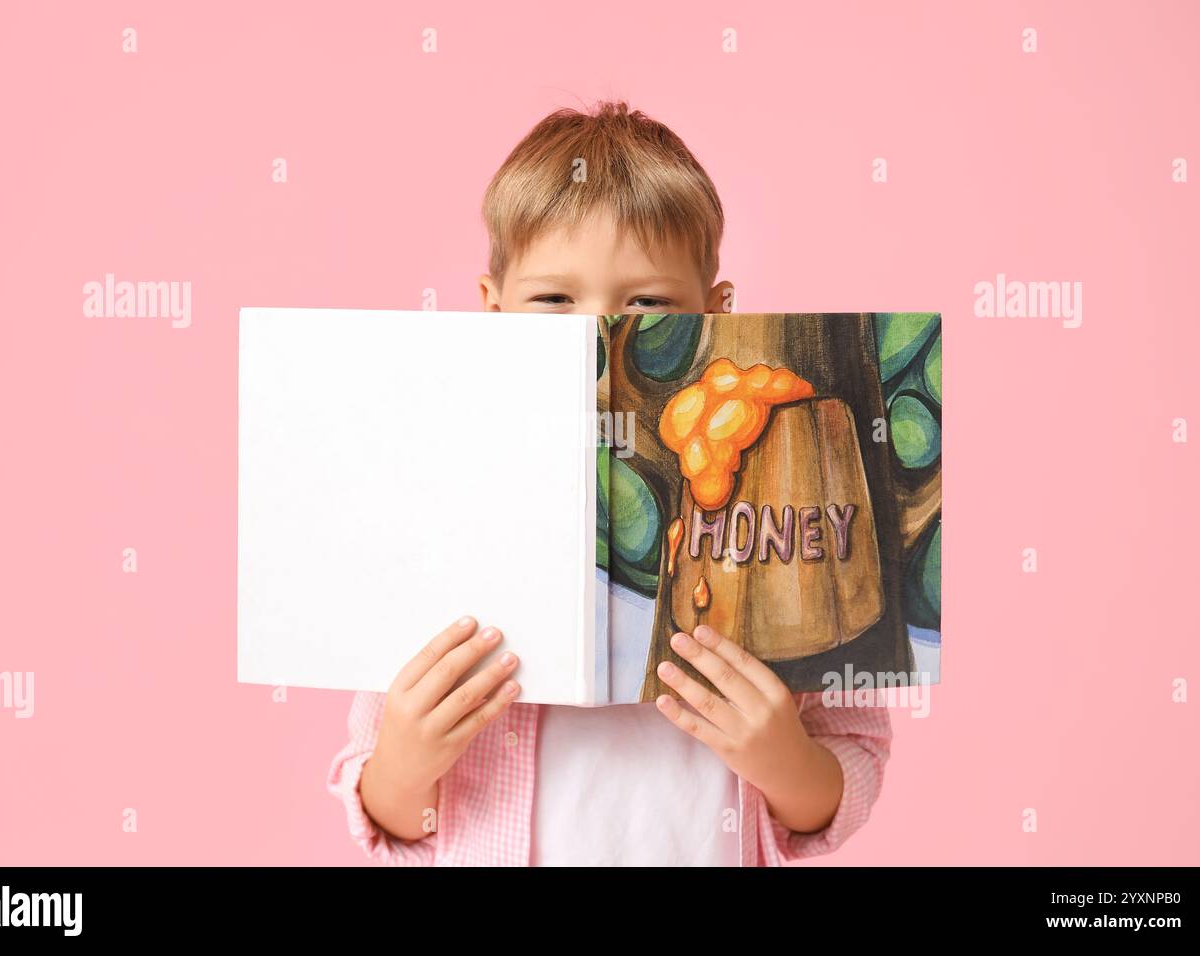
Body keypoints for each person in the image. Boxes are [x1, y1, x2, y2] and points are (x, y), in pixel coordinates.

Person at [326, 101, 893, 866]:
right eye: (554, 300)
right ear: (492, 311)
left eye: (647, 303)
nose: (597, 334)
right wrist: (406, 758)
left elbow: (843, 776)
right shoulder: (434, 511)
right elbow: (386, 815)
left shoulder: (780, 474)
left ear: (716, 311)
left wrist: (779, 756)